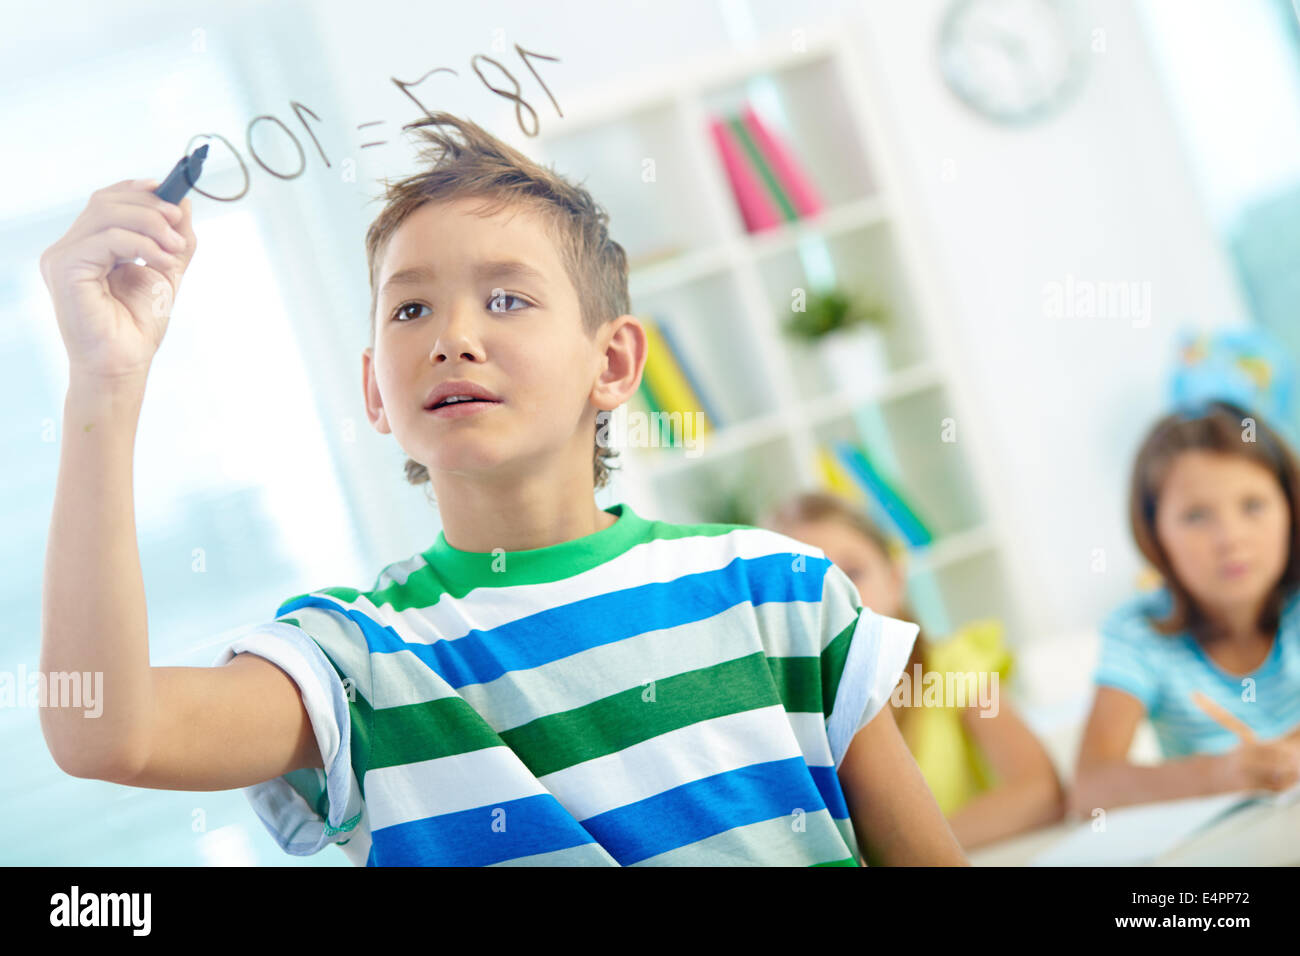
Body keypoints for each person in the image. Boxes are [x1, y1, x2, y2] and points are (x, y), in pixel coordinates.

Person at [38, 112, 967, 866]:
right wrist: (105, 381)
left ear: (611, 361)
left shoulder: (781, 593)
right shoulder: (355, 660)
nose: (453, 337)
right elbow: (106, 732)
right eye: (410, 308)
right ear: (376, 391)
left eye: (508, 299)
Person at [765, 491, 1066, 850]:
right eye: (808, 587)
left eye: (853, 573)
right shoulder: (777, 721)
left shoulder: (952, 669)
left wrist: (910, 851)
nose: (837, 602)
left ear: (895, 579)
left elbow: (1042, 793)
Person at [1072, 400, 1300, 814]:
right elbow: (1090, 789)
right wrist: (1217, 774)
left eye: (1252, 506)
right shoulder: (1140, 634)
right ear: (1156, 536)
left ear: (1290, 506)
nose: (1230, 538)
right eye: (1196, 516)